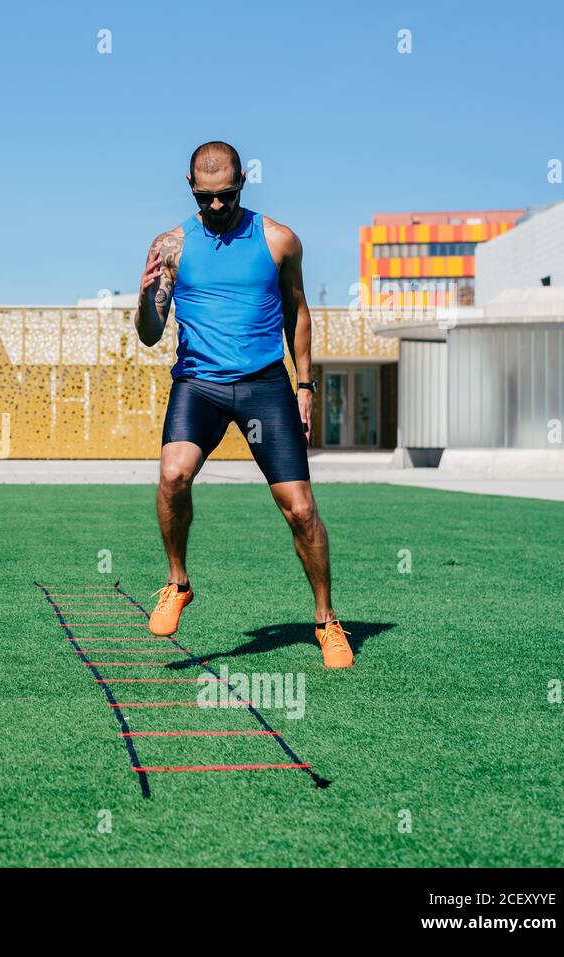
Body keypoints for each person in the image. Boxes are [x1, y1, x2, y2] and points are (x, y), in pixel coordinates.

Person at [135, 141, 353, 668]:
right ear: (191, 187)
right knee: (173, 475)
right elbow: (148, 334)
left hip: (263, 387)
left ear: (242, 184)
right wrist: (145, 300)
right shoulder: (170, 247)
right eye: (206, 197)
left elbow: (298, 312)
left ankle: (326, 621)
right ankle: (177, 582)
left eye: (226, 196)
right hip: (199, 384)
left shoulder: (279, 240)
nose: (216, 206)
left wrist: (305, 387)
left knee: (300, 510)